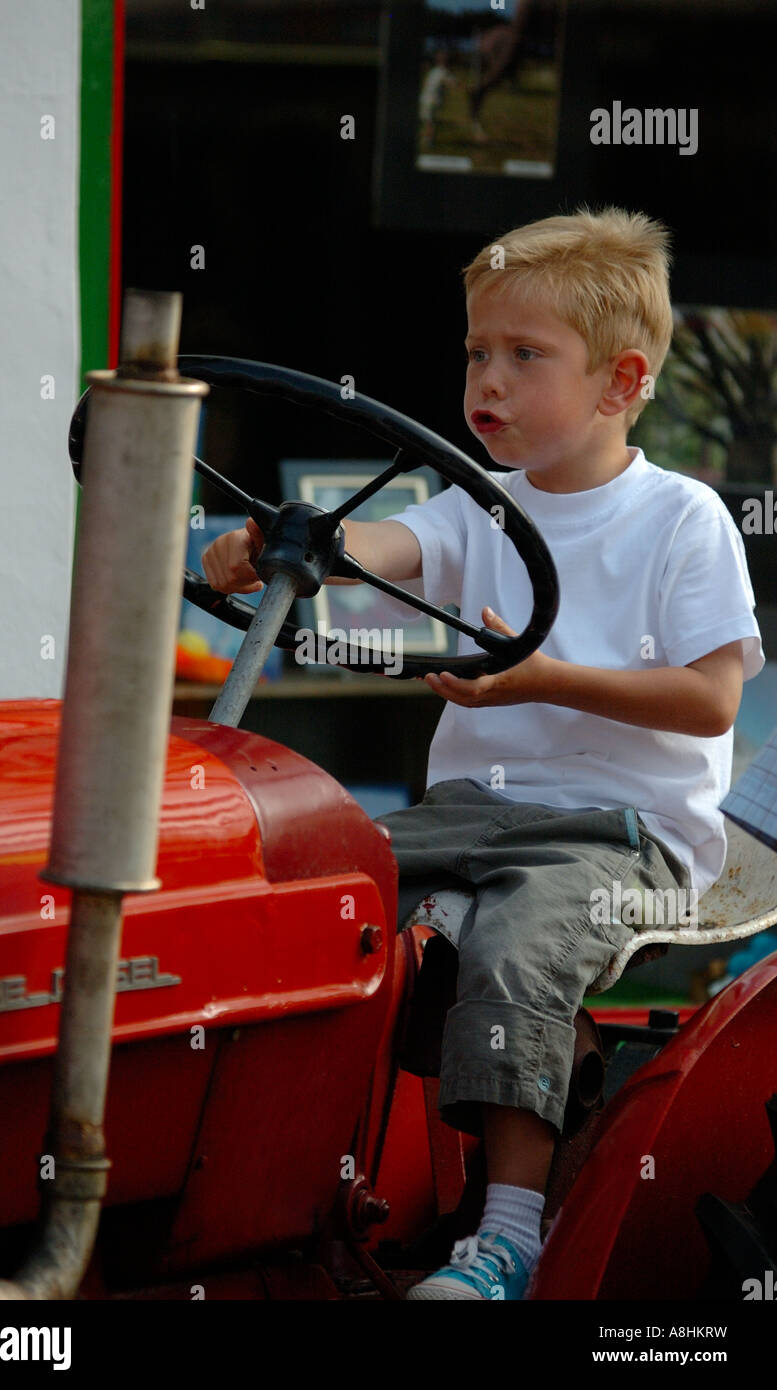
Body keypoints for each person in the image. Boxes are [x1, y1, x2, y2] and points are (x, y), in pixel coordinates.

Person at [200, 207, 765, 1300]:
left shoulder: (680, 519)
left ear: (618, 380)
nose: (484, 382)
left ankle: (507, 1240)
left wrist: (546, 678)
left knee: (515, 940)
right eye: (474, 352)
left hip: (623, 834)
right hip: (468, 813)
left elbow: (706, 700)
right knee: (316, 893)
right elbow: (382, 545)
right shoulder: (479, 509)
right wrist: (291, 538)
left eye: (522, 355)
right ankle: (281, 1194)